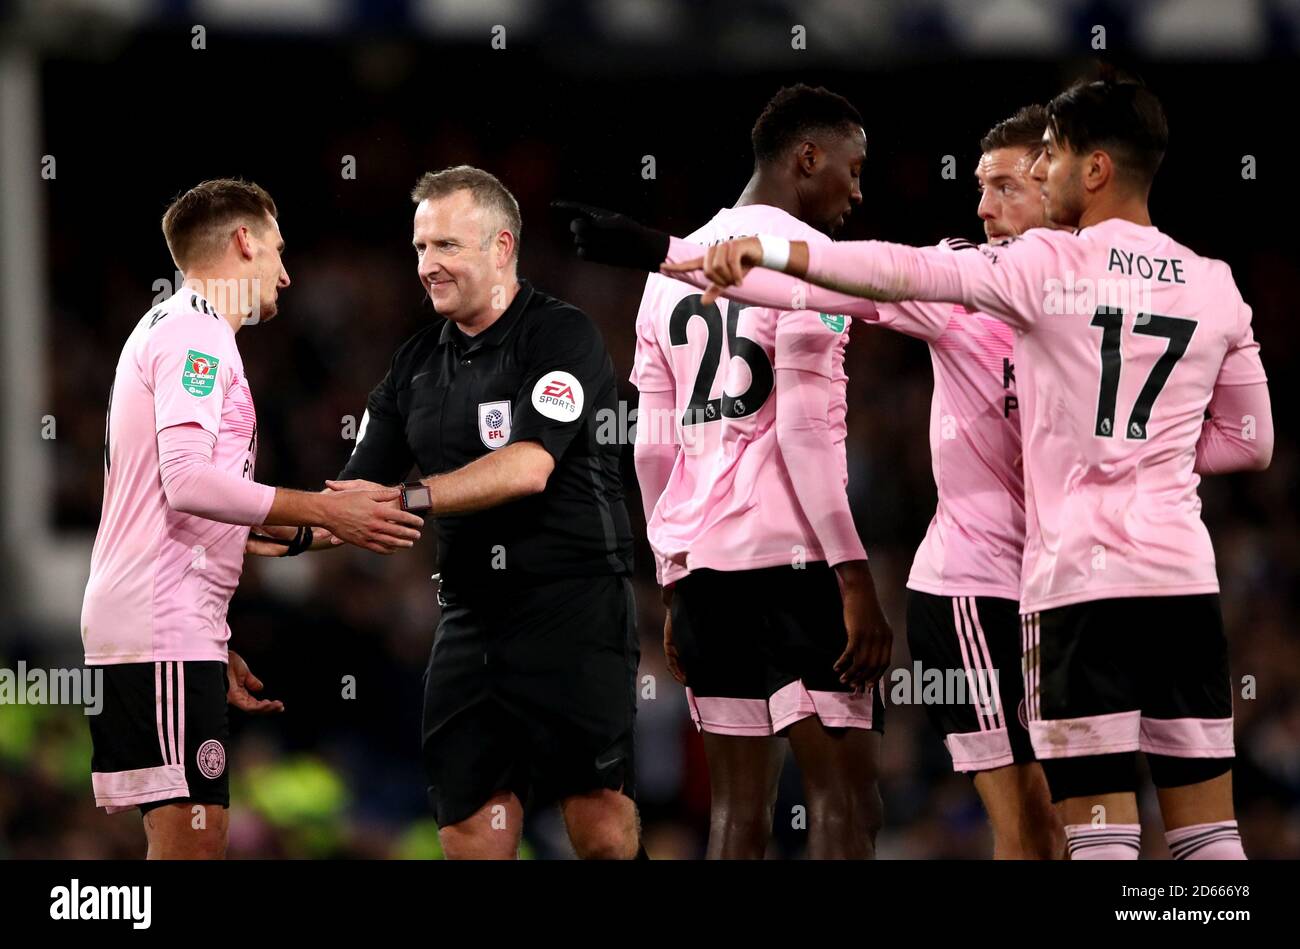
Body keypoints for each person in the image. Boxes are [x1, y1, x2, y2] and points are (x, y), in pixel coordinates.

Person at [668, 72, 1273, 860]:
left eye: (1043, 164)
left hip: (1075, 586)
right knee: (1205, 833)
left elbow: (894, 269)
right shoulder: (1215, 281)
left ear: (1091, 170)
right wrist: (1148, 445)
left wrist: (754, 247)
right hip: (1173, 580)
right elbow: (1253, 438)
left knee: (1091, 834)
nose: (993, 200)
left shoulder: (1044, 268)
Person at [82, 178, 424, 859]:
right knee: (194, 842)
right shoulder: (198, 332)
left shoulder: (166, 326)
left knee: (187, 838)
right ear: (243, 241)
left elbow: (171, 495)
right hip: (161, 622)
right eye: (277, 248)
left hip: (164, 621)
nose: (287, 272)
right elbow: (186, 482)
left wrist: (306, 535)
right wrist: (328, 506)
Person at [327, 166, 641, 860]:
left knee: (599, 822)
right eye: (419, 249)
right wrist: (259, 524)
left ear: (502, 247)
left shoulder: (563, 337)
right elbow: (352, 497)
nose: (427, 266)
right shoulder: (412, 366)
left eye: (445, 246)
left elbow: (530, 465)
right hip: (470, 614)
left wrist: (413, 497)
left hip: (573, 601)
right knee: (469, 826)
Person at [623, 84, 891, 859]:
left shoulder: (667, 268)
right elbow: (806, 432)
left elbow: (650, 448)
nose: (858, 189)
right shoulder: (820, 266)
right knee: (846, 799)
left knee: (736, 816)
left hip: (705, 570)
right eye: (853, 166)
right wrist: (852, 577)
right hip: (796, 562)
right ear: (807, 158)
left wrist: (674, 578)